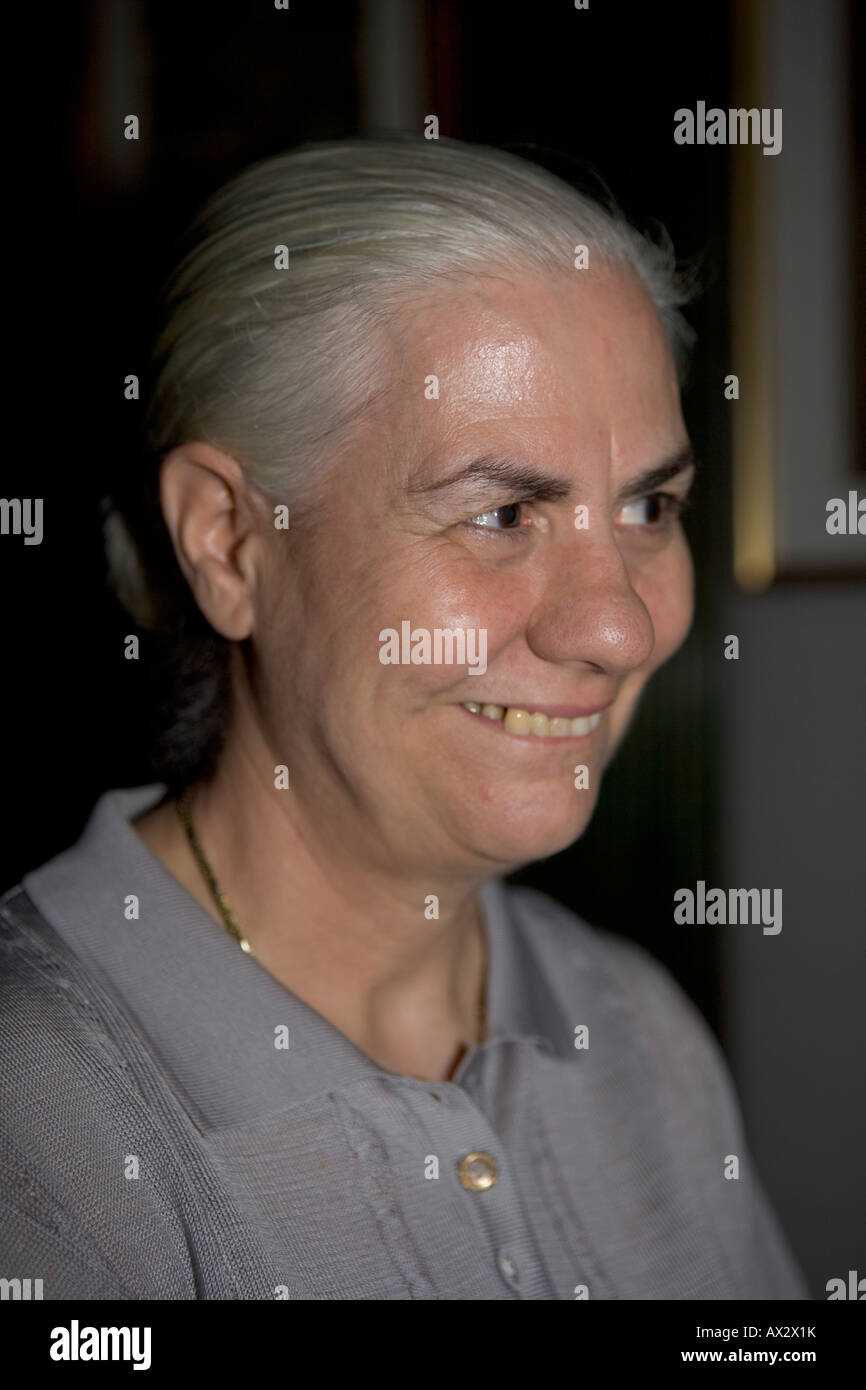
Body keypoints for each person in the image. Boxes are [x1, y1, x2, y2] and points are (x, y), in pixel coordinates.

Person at [0, 136, 808, 1299]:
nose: (620, 628)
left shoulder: (631, 1024)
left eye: (649, 504)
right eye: (503, 510)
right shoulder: (43, 1132)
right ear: (229, 542)